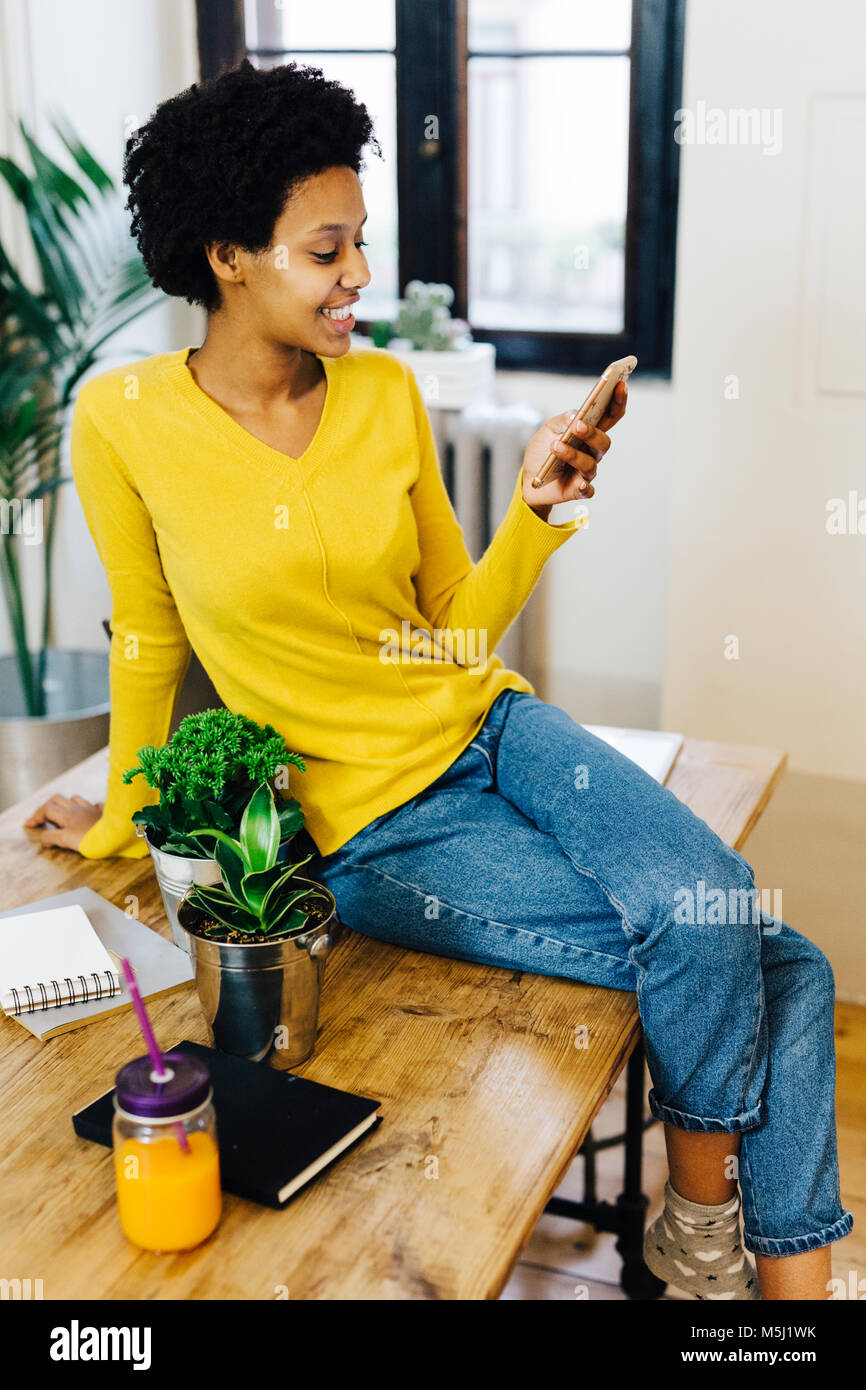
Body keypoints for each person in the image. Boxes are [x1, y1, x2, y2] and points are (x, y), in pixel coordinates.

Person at [26, 59, 851, 1300]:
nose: (359, 275)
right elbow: (149, 639)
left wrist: (530, 510)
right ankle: (745, 1289)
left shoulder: (384, 393)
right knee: (781, 965)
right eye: (326, 250)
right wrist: (121, 820)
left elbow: (452, 635)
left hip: (494, 729)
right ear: (228, 257)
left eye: (358, 243)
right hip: (375, 825)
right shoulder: (124, 422)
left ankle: (693, 1235)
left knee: (715, 903)